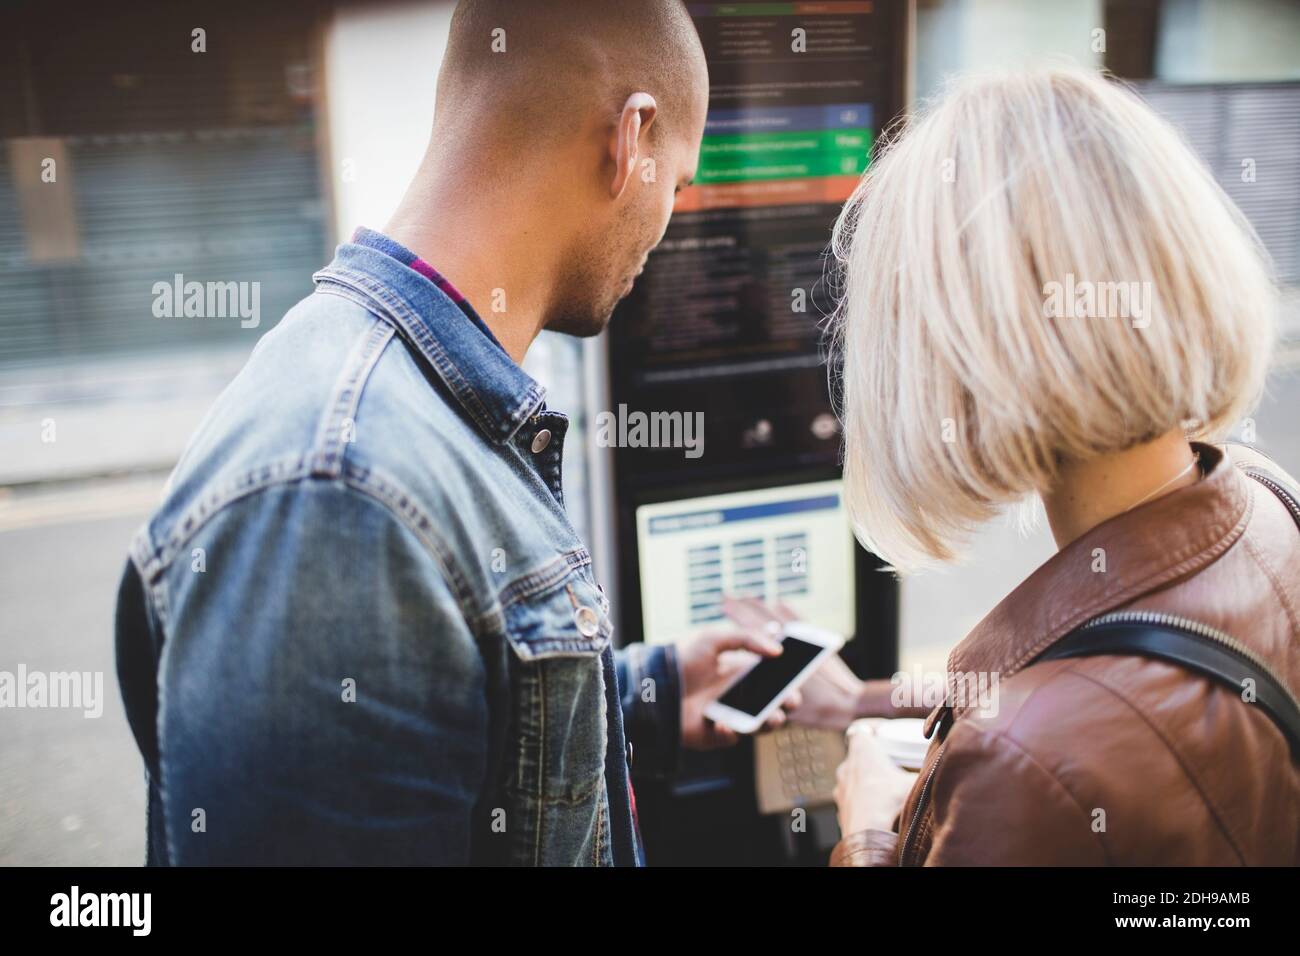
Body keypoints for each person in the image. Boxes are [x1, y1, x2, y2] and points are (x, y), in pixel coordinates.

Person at [113, 0, 795, 866]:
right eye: (680, 184)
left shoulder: (410, 408)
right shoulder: (339, 495)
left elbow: (441, 728)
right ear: (633, 136)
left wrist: (648, 692)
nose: (671, 223)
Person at [828, 66, 1300, 865]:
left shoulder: (1027, 764)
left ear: (963, 352)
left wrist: (869, 832)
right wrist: (865, 700)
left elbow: (1070, 719)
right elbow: (1122, 659)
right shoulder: (1263, 497)